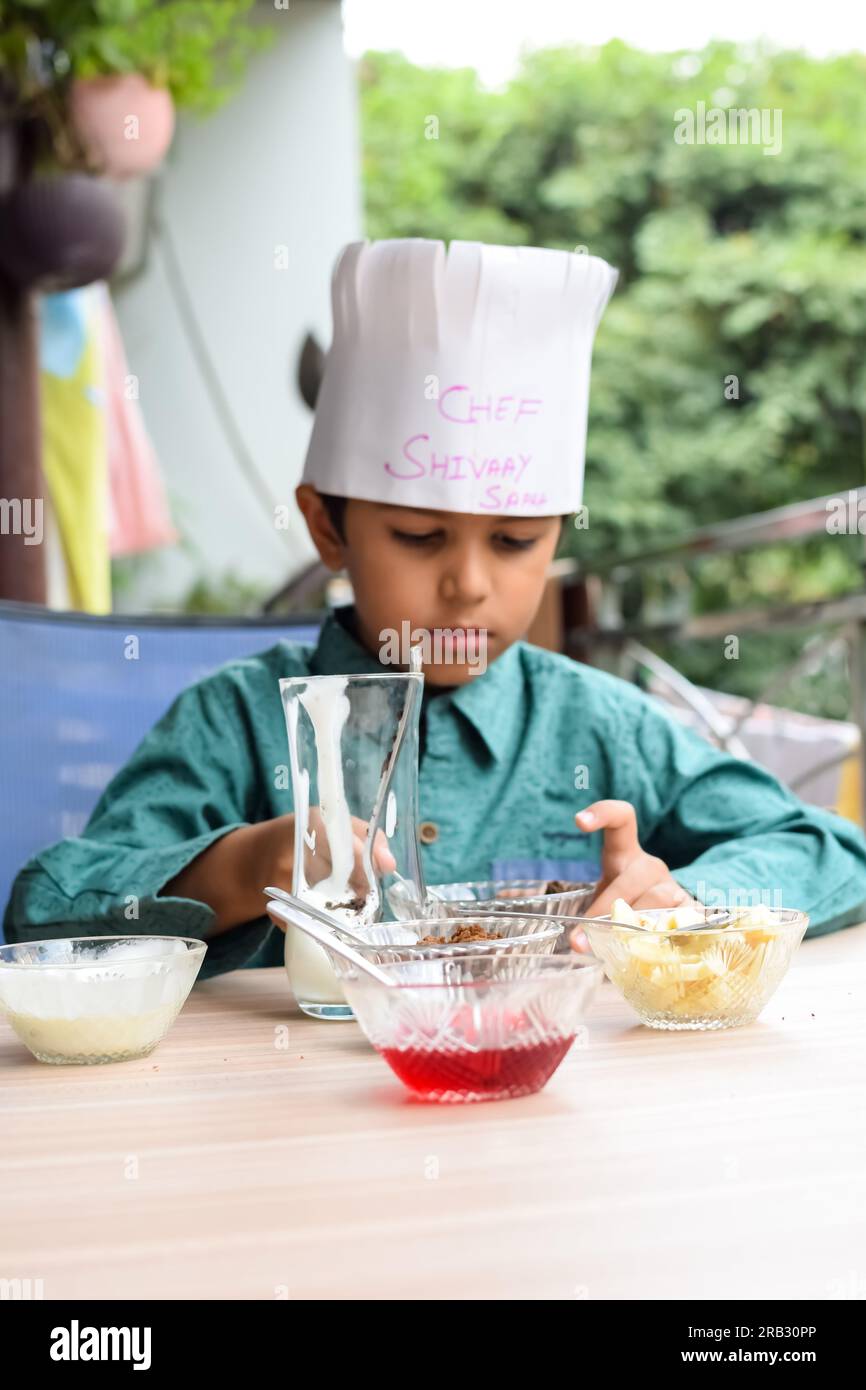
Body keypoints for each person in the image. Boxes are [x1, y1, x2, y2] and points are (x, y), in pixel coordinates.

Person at [5, 238, 866, 979]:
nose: (467, 585)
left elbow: (833, 851)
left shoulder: (601, 727)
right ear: (327, 529)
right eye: (420, 537)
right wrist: (240, 868)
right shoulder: (234, 723)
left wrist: (686, 897)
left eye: (514, 542)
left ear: (558, 538)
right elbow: (47, 909)